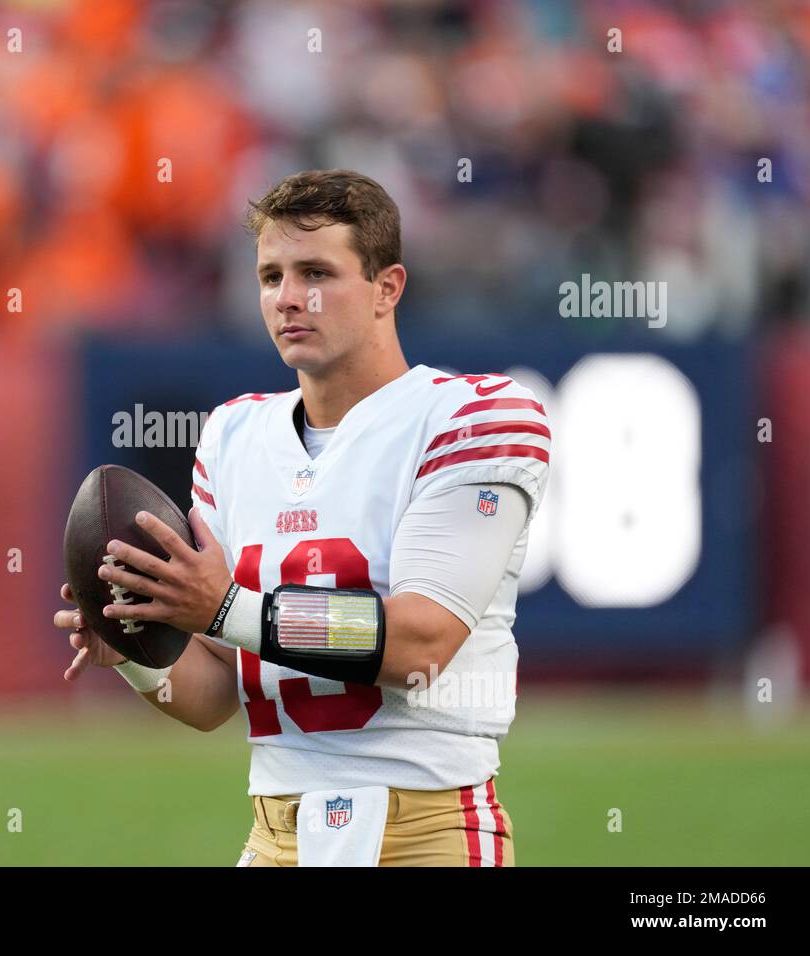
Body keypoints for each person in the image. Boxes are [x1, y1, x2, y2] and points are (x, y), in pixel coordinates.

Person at [53, 169, 551, 866]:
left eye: (316, 272)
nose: (288, 298)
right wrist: (133, 652)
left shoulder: (471, 416)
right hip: (275, 835)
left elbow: (420, 645)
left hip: (423, 828)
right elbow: (214, 695)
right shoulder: (233, 436)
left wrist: (222, 607)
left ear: (387, 287)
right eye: (270, 276)